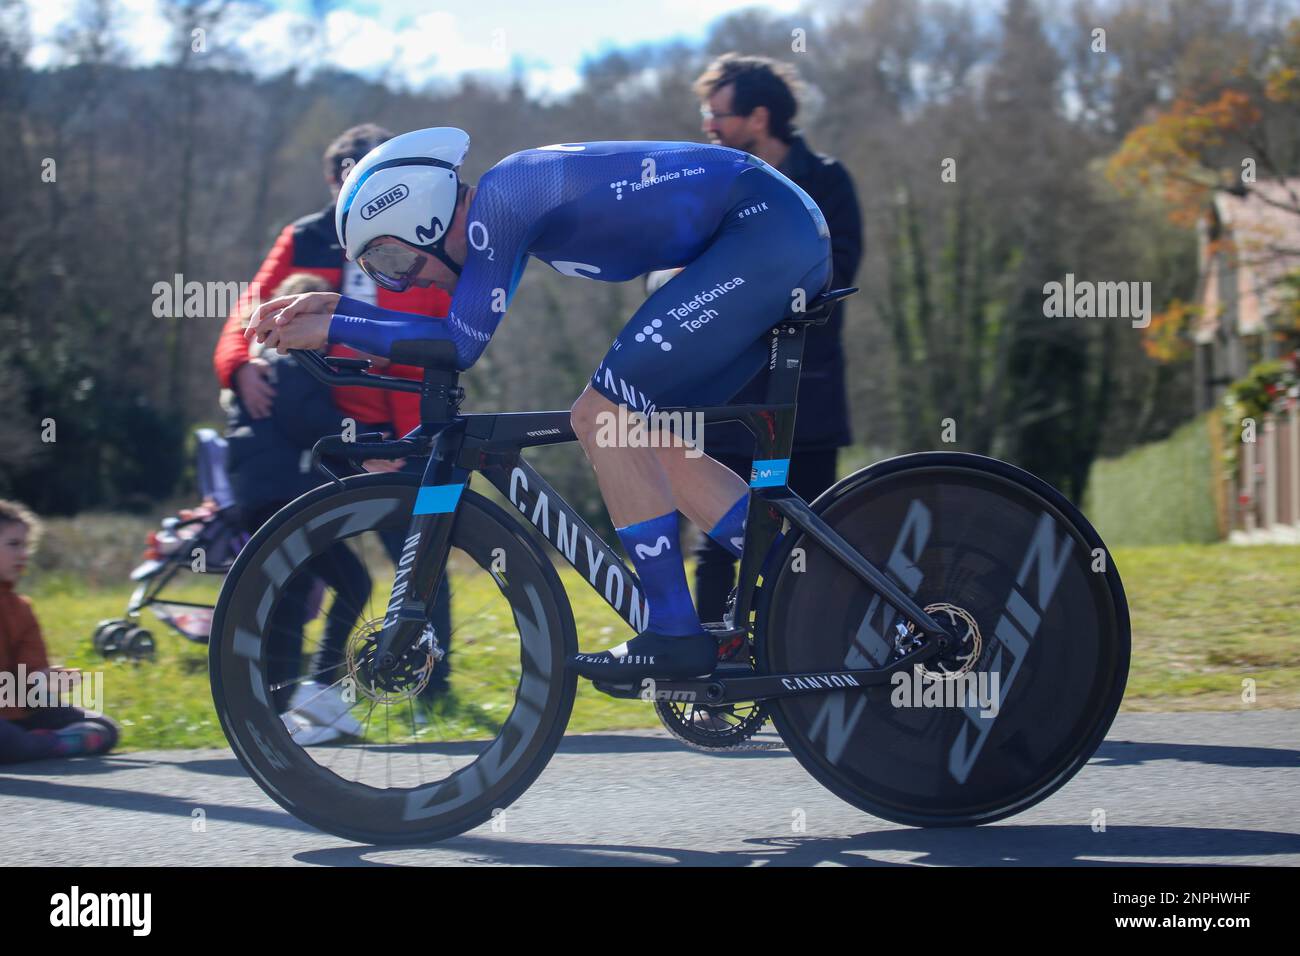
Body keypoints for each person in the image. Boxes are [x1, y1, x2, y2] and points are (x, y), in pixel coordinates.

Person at [245, 127, 832, 683]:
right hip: (767, 234)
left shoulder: (504, 200)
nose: (405, 284)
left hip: (762, 230)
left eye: (393, 264)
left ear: (423, 218)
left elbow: (459, 345)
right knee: (640, 438)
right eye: (381, 275)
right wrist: (337, 312)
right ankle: (818, 585)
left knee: (601, 417)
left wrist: (337, 325)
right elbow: (451, 331)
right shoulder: (504, 211)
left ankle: (675, 632)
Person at [688, 53, 863, 624]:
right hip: (729, 396)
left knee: (812, 539)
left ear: (759, 117)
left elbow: (834, 270)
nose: (708, 125)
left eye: (719, 114)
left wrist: (740, 287)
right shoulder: (715, 182)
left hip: (804, 399)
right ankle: (707, 674)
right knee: (716, 542)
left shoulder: (828, 181)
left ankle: (813, 661)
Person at [226, 273, 371, 744]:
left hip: (269, 493)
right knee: (347, 583)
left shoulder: (271, 360)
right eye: (325, 316)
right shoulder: (288, 360)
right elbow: (309, 422)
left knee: (292, 599)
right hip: (278, 496)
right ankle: (295, 702)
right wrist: (371, 442)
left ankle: (286, 706)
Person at [0, 500, 120, 764]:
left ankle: (42, 742)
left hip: (19, 709)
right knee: (9, 740)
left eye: (26, 546)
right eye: (13, 545)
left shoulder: (21, 608)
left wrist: (45, 679)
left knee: (106, 727)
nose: (23, 554)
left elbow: (26, 679)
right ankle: (47, 743)